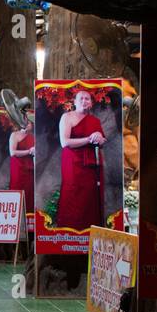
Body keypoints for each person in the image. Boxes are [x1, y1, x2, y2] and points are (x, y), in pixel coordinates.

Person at [56, 89, 106, 229]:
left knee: (90, 196)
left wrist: (99, 137)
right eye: (81, 98)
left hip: (91, 166)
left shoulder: (94, 121)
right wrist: (90, 139)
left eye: (87, 99)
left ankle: (90, 232)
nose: (84, 101)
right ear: (75, 102)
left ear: (91, 103)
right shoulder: (67, 117)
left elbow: (102, 142)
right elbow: (65, 142)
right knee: (72, 194)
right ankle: (70, 234)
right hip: (72, 163)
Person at [9, 115, 35, 211]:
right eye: (28, 123)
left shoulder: (32, 137)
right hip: (18, 169)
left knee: (29, 193)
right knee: (17, 191)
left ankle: (28, 217)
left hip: (29, 170)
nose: (29, 125)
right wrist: (29, 151)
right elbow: (13, 152)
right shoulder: (14, 135)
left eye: (30, 123)